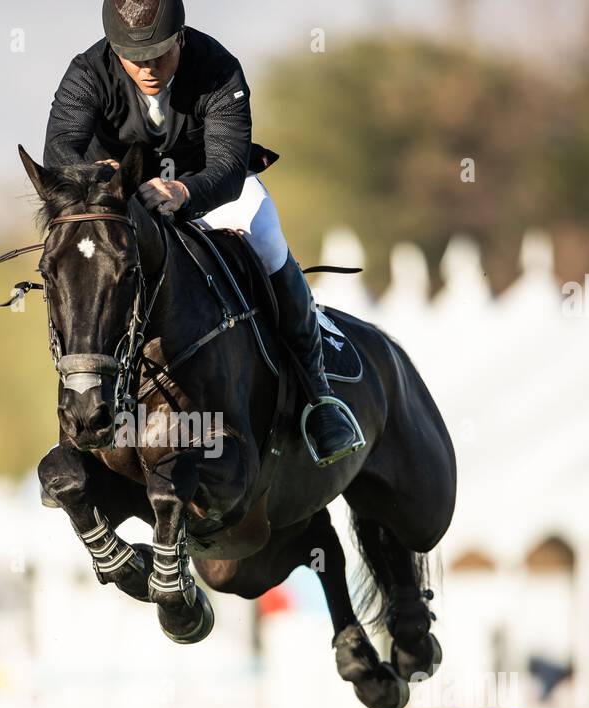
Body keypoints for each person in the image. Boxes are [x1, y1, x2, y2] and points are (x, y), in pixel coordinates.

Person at [43, 0, 364, 467]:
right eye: (136, 58)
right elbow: (58, 149)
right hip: (117, 200)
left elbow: (230, 167)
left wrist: (183, 191)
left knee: (270, 245)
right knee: (81, 274)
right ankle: (76, 413)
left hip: (205, 185)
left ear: (180, 37)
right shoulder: (87, 71)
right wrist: (98, 175)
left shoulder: (217, 68)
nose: (147, 68)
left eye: (158, 53)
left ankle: (319, 399)